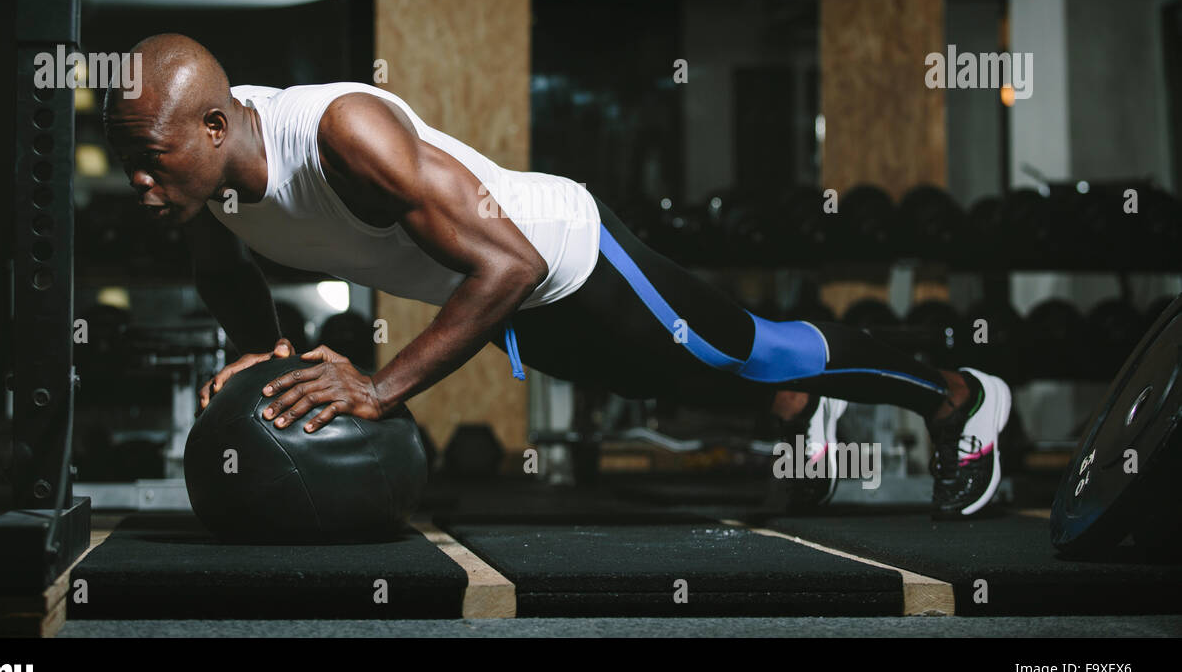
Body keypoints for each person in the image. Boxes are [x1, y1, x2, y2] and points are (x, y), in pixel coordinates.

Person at [103, 33, 1011, 519]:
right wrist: (258, 351)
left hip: (567, 259)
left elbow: (511, 261)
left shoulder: (340, 135)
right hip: (516, 311)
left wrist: (379, 388)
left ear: (216, 126)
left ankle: (960, 399)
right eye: (126, 160)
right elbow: (224, 271)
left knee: (754, 351)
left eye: (151, 157)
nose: (137, 181)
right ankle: (802, 414)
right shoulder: (204, 189)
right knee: (672, 382)